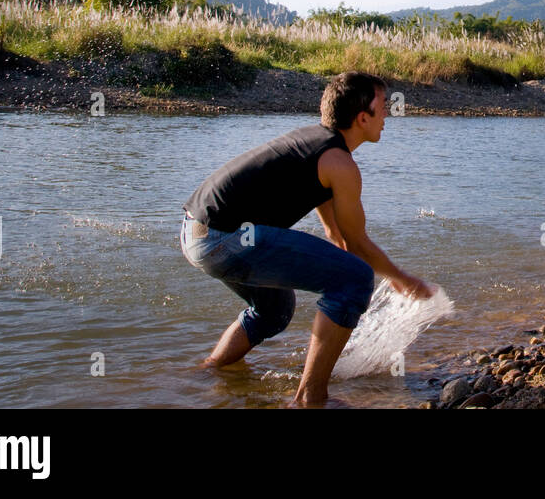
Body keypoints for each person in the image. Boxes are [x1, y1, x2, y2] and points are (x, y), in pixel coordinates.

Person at [180, 71, 432, 406]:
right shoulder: (340, 163)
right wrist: (402, 279)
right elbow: (358, 244)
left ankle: (210, 372)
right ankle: (311, 398)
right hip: (223, 238)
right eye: (384, 106)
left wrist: (338, 243)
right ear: (362, 117)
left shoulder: (316, 142)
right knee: (355, 279)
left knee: (275, 310)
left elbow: (329, 215)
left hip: (194, 233)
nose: (389, 113)